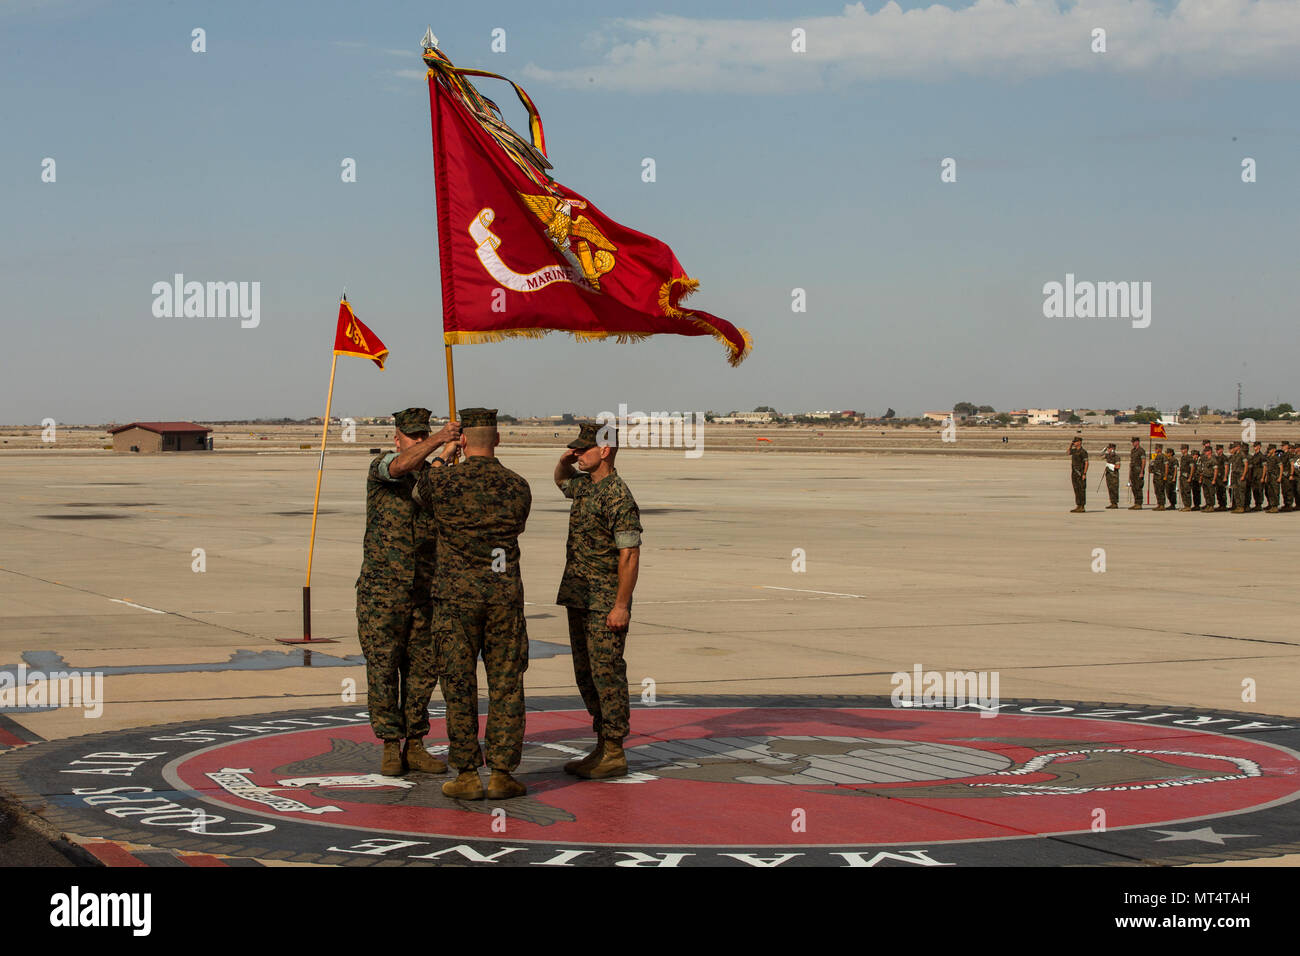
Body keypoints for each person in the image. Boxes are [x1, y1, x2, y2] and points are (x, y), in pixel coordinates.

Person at [413, 408, 533, 800]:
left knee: (458, 685)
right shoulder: (517, 486)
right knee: (506, 685)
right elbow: (515, 527)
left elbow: (420, 495)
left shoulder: (443, 482)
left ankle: (466, 773)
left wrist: (444, 454)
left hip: (455, 599)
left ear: (464, 440)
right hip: (503, 598)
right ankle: (501, 773)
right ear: (497, 439)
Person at [356, 408, 460, 777]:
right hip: (383, 593)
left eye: (423, 435)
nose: (418, 441)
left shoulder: (429, 476)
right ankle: (389, 744)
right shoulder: (383, 467)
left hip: (423, 592)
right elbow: (401, 469)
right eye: (413, 437)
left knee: (421, 672)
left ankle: (415, 742)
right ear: (397, 438)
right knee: (383, 669)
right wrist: (438, 441)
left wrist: (446, 459)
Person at [554, 421, 644, 779]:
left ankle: (614, 749)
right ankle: (602, 745)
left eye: (583, 449)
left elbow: (630, 555)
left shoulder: (618, 496)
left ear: (604, 450)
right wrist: (566, 458)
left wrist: (621, 606)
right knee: (586, 674)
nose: (577, 454)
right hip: (580, 597)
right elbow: (560, 480)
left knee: (607, 675)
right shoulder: (585, 487)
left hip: (605, 603)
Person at [1068, 436, 1088, 512]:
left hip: (1080, 473)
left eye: (1075, 442)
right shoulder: (1074, 450)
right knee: (1076, 489)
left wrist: (1084, 473)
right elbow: (1068, 452)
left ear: (1079, 442)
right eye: (1074, 442)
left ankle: (1082, 506)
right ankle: (1078, 505)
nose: (1074, 443)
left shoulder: (1083, 452)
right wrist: (1070, 445)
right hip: (1074, 473)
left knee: (1081, 490)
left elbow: (1086, 463)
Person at [1128, 437, 1145, 509]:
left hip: (1138, 471)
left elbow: (1143, 461)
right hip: (1133, 471)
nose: (1132, 443)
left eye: (1134, 442)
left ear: (1137, 442)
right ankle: (1136, 503)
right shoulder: (1133, 451)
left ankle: (1139, 503)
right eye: (1132, 442)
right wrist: (1129, 474)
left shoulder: (1141, 451)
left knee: (1138, 487)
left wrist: (1142, 472)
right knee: (1134, 487)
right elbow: (1131, 462)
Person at [1102, 443, 1120, 508]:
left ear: (1113, 449)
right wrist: (1104, 450)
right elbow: (1101, 456)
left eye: (1109, 448)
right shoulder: (1108, 455)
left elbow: (1118, 466)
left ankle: (1115, 503)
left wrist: (1110, 466)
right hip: (1108, 475)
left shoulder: (1116, 457)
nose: (1108, 449)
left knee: (1114, 489)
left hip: (1114, 475)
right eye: (1108, 448)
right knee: (1110, 488)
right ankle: (1112, 502)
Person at [1177, 444, 1194, 511]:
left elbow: (1192, 467)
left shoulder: (1189, 457)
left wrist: (1190, 477)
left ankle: (1188, 506)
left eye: (1183, 449)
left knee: (1187, 491)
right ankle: (1185, 505)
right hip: (1182, 477)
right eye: (1181, 449)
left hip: (1187, 477)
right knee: (1183, 491)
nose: (1181, 450)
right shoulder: (1183, 457)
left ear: (1186, 449)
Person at [1150, 443, 1166, 510]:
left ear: (1160, 449)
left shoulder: (1163, 457)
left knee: (1160, 490)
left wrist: (1165, 475)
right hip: (1156, 476)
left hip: (1160, 476)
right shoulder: (1156, 457)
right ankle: (1159, 504)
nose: (1155, 450)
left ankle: (1162, 505)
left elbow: (1166, 466)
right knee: (1157, 490)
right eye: (1155, 448)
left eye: (1156, 448)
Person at [1213, 444, 1229, 511]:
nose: (1217, 451)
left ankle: (1223, 505)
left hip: (1222, 476)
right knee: (1218, 491)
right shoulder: (1216, 458)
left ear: (1222, 450)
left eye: (1218, 449)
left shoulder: (1224, 458)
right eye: (1216, 450)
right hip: (1217, 477)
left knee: (1222, 491)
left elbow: (1226, 467)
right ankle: (1220, 504)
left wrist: (1225, 476)